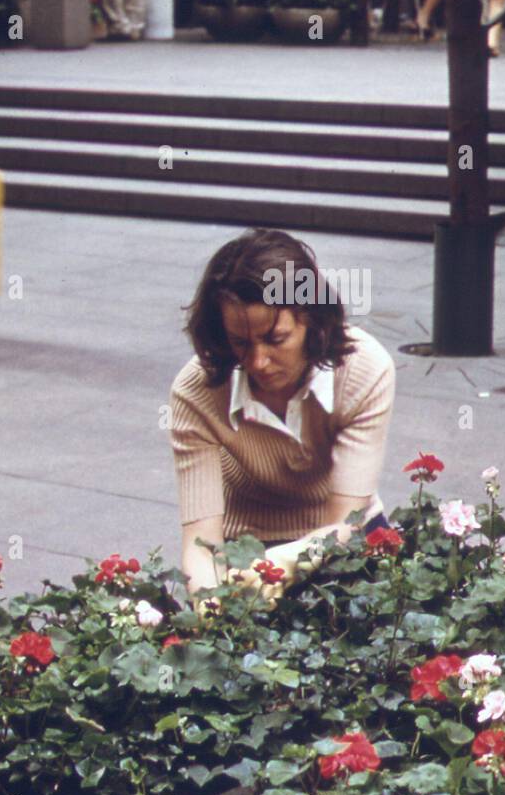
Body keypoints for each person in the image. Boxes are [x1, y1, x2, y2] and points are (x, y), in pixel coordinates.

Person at [169, 229, 396, 598]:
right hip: (246, 541)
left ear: (312, 320)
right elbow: (200, 545)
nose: (257, 362)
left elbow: (345, 522)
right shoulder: (196, 391)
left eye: (275, 339)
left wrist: (292, 558)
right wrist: (209, 605)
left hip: (343, 535)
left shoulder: (365, 370)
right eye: (240, 342)